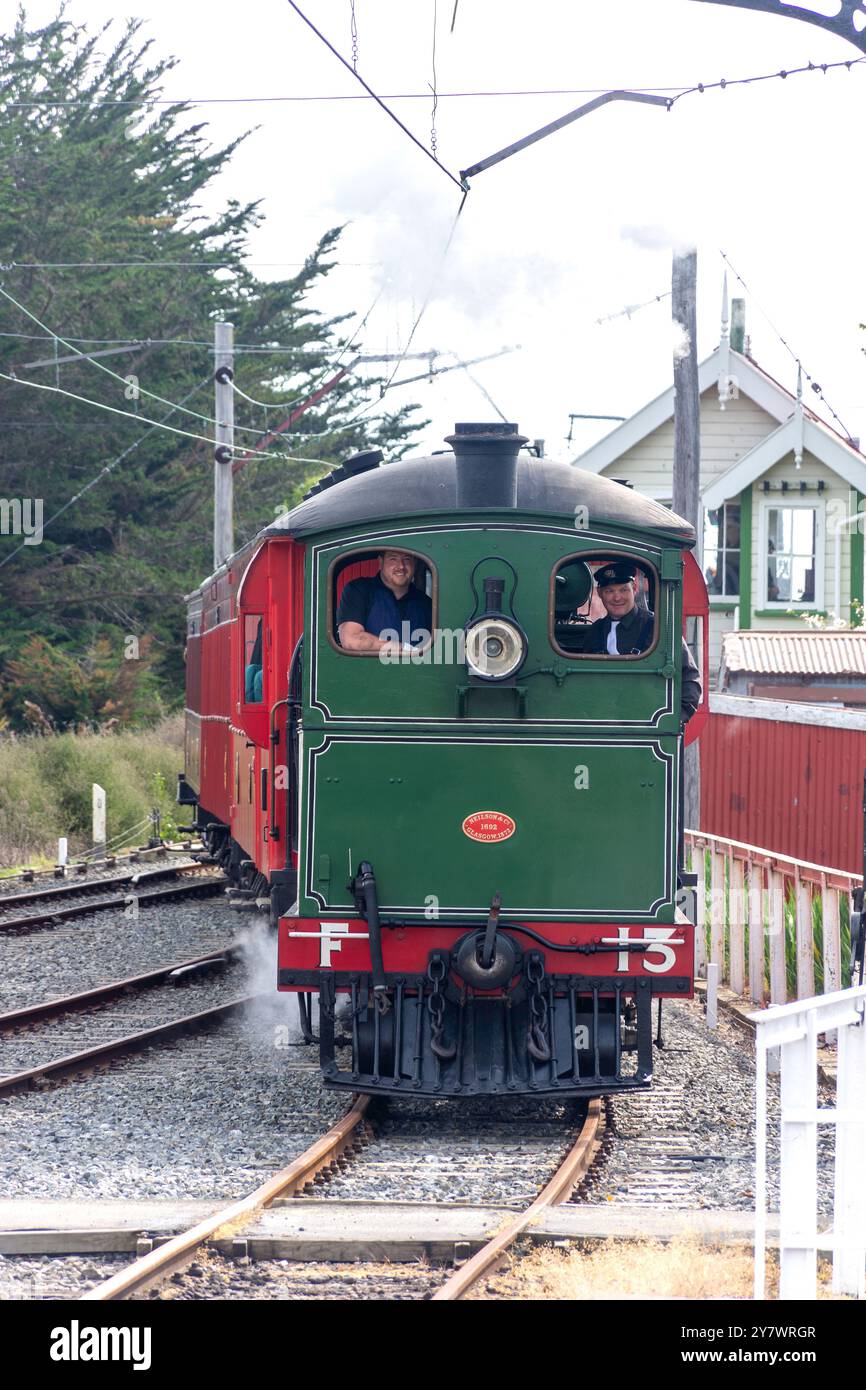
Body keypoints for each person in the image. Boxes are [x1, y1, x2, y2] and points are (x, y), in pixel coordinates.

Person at [586, 560, 701, 724]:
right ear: (599, 593)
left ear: (634, 589)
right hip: (602, 722)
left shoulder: (659, 627)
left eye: (623, 590)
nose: (617, 597)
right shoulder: (594, 631)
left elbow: (689, 678)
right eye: (609, 591)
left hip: (647, 725)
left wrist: (673, 720)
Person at [336, 549, 433, 653]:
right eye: (393, 558)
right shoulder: (359, 590)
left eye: (407, 559)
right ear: (381, 562)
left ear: (415, 564)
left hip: (416, 669)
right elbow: (351, 640)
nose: (401, 566)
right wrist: (404, 649)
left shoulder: (427, 603)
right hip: (369, 669)